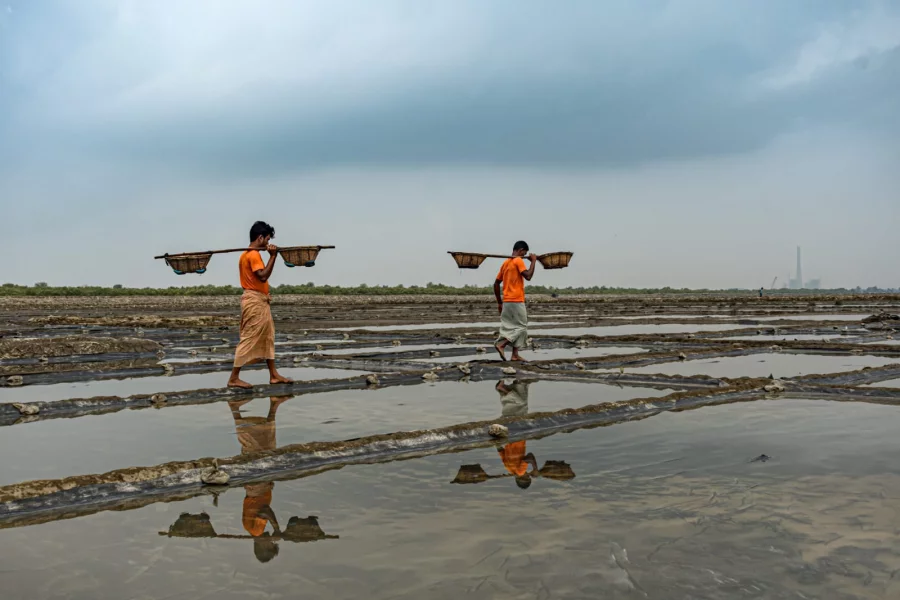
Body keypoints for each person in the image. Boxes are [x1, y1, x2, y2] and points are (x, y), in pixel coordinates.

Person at [227, 221, 293, 389]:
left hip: (260, 301)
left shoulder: (245, 255)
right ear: (260, 237)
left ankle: (273, 375)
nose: (268, 244)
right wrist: (273, 256)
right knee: (249, 337)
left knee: (268, 336)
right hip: (254, 301)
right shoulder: (253, 255)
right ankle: (234, 378)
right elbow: (262, 276)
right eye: (267, 239)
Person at [493, 241, 537, 361]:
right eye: (524, 253)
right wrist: (533, 261)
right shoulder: (518, 260)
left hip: (507, 301)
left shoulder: (506, 263)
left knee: (513, 327)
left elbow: (496, 283)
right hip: (516, 300)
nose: (524, 256)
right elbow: (528, 276)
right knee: (522, 327)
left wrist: (499, 302)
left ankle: (515, 355)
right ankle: (501, 344)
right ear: (521, 250)